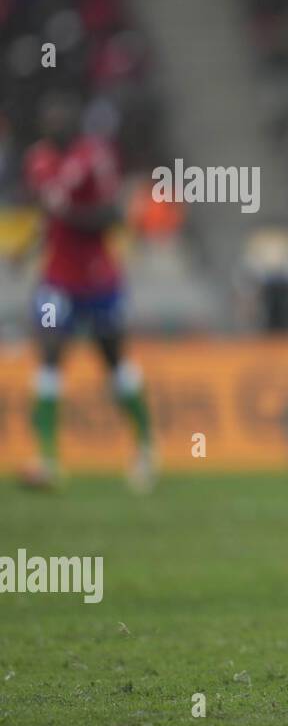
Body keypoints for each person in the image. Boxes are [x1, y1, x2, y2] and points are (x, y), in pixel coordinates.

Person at [21, 92, 154, 491]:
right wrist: (26, 247)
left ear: (76, 121)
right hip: (57, 280)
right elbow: (48, 216)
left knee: (112, 360)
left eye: (62, 115)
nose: (55, 122)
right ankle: (47, 460)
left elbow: (111, 215)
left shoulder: (94, 158)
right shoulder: (39, 160)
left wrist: (68, 215)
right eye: (49, 117)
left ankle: (145, 448)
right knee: (48, 352)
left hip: (98, 280)